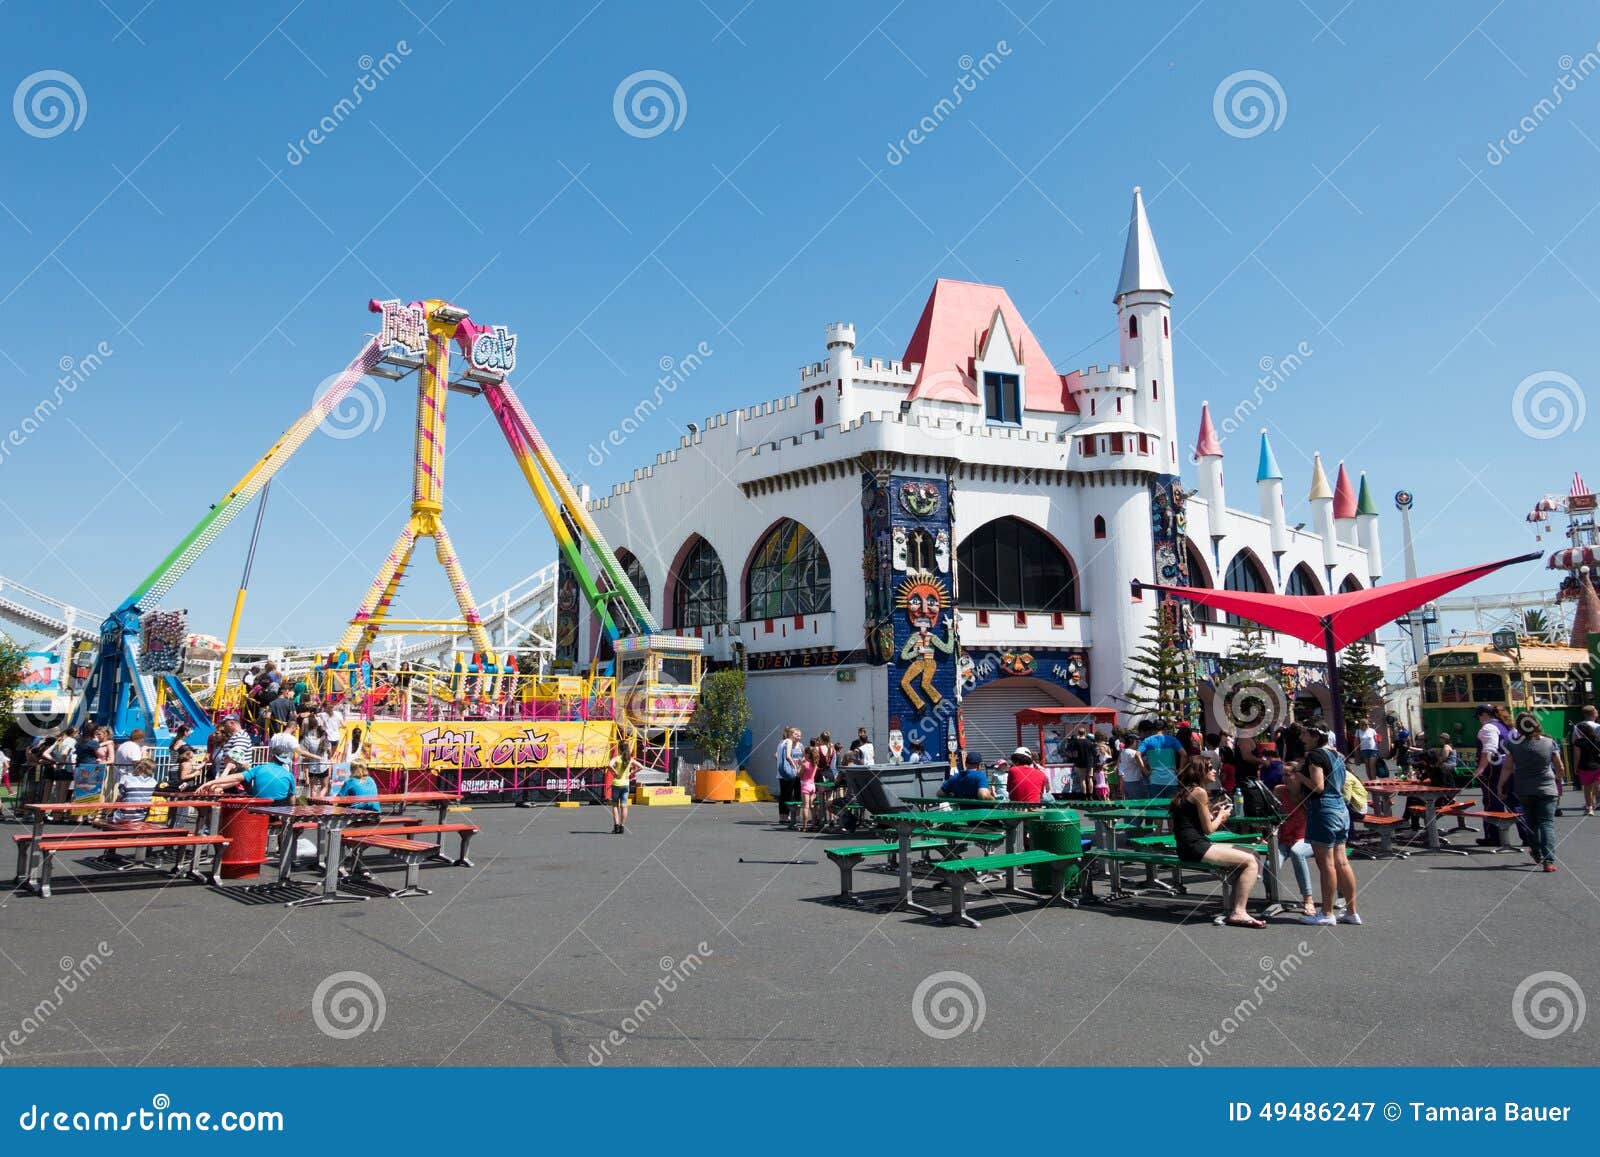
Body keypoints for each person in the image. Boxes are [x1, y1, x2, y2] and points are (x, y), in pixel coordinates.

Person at [1169, 754, 1265, 928]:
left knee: (1252, 853)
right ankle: (1239, 912)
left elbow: (1192, 821)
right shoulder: (1200, 792)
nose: (1215, 771)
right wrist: (1221, 816)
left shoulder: (1188, 790)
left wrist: (1213, 813)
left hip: (1189, 844)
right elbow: (1209, 829)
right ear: (1200, 771)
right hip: (1195, 846)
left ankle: (1234, 905)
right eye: (1210, 768)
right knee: (1251, 862)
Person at [1286, 726, 1361, 926]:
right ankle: (1352, 911)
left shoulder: (1316, 756)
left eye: (1304, 734)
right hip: (1341, 809)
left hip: (1323, 809)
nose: (1302, 738)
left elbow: (1318, 787)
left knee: (1326, 864)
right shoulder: (1337, 755)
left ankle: (1327, 912)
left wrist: (1299, 775)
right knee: (1342, 862)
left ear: (1315, 735)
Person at [1501, 713, 1563, 871]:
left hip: (1524, 788)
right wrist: (1556, 780)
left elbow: (1507, 767)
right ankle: (1549, 861)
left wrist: (1500, 785)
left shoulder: (1513, 744)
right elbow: (1560, 767)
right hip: (1547, 788)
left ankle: (1536, 853)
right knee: (1547, 824)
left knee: (1531, 824)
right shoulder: (1549, 742)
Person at [1273, 779, 1317, 917]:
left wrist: (1301, 801)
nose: (1285, 778)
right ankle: (1272, 899)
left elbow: (1316, 815)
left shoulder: (1307, 793)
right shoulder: (1280, 790)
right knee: (1269, 867)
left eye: (1288, 774)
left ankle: (1308, 899)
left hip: (1306, 838)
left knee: (1297, 853)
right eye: (1282, 774)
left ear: (1298, 776)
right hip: (1285, 839)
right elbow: (1272, 812)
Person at [201, 757, 296, 804]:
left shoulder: (259, 768)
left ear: (271, 757)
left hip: (258, 806)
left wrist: (211, 782)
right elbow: (292, 797)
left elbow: (236, 778)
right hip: (278, 808)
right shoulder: (289, 774)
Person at [1138, 720, 1184, 799]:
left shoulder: (1147, 741)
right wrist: (1180, 769)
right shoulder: (1172, 739)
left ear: (1153, 730)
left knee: (1157, 807)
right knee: (1172, 806)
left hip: (1155, 780)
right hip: (1171, 779)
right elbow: (1184, 754)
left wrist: (1145, 771)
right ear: (1165, 729)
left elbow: (1137, 755)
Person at [1570, 706, 1600, 817]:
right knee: (1597, 784)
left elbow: (1574, 743)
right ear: (1593, 713)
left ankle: (1589, 807)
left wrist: (1575, 767)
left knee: (1587, 787)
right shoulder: (1598, 726)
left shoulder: (1577, 726)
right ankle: (1597, 800)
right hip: (1597, 761)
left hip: (1584, 763)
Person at [608, 734, 639, 835]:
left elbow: (609, 765)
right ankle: (622, 827)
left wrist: (615, 772)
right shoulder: (629, 759)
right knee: (624, 806)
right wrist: (631, 773)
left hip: (617, 784)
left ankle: (616, 826)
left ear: (619, 749)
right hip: (626, 784)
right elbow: (641, 767)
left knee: (615, 805)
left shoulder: (617, 758)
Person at [774, 726, 802, 827]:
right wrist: (794, 766)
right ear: (790, 734)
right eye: (795, 735)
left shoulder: (782, 742)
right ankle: (786, 817)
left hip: (781, 772)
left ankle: (783, 817)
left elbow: (777, 756)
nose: (797, 737)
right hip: (789, 772)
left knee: (783, 795)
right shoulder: (789, 742)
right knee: (788, 794)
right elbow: (788, 756)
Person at [213, 715, 253, 780]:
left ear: (231, 723)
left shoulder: (241, 736)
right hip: (231, 777)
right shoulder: (234, 737)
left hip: (234, 778)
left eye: (224, 724)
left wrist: (222, 779)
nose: (223, 726)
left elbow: (234, 758)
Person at [1117, 732, 1148, 800]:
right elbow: (1141, 764)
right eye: (1137, 741)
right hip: (1135, 781)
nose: (1138, 743)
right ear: (1133, 742)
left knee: (1131, 804)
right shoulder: (1133, 753)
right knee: (1138, 804)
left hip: (1126, 781)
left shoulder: (1123, 752)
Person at [798, 743, 820, 831]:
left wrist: (799, 766)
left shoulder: (805, 764)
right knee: (812, 806)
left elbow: (799, 775)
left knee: (805, 806)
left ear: (807, 754)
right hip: (812, 785)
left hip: (805, 785)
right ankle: (813, 825)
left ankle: (804, 827)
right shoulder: (815, 764)